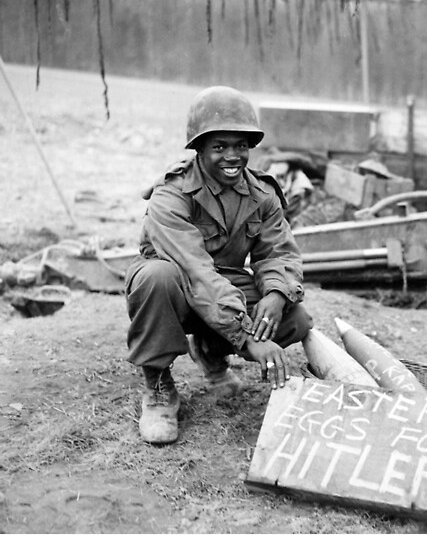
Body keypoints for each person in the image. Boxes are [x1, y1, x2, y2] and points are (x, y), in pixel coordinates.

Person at [125, 85, 313, 444]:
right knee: (156, 277)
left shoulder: (262, 194)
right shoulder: (172, 194)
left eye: (240, 146)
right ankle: (159, 386)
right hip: (177, 285)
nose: (232, 156)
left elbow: (279, 253)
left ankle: (210, 350)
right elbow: (194, 270)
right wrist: (246, 335)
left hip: (221, 287)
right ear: (198, 149)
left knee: (295, 318)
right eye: (219, 147)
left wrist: (275, 293)